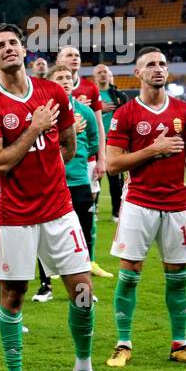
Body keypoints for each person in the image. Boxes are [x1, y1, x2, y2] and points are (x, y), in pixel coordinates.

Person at [0, 23, 114, 371]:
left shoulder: (53, 92)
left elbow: (69, 145)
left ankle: (84, 369)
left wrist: (46, 163)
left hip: (58, 209)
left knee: (83, 292)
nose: (8, 49)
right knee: (13, 296)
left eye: (13, 43)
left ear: (24, 49)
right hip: (14, 215)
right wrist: (34, 129)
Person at [104, 48, 186, 369]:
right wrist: (154, 149)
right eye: (150, 64)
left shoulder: (184, 111)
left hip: (177, 206)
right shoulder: (126, 114)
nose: (158, 69)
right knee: (130, 273)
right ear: (137, 74)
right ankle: (123, 344)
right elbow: (112, 164)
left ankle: (180, 345)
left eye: (162, 64)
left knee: (178, 275)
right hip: (138, 204)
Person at [32, 65, 101, 301]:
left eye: (68, 77)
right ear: (50, 83)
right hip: (49, 182)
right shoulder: (41, 111)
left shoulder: (86, 112)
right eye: (58, 77)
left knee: (83, 234)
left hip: (79, 179)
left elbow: (93, 143)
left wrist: (80, 160)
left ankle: (84, 287)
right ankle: (45, 285)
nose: (65, 81)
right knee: (45, 236)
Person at [55, 46, 110, 278]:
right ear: (58, 60)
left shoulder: (89, 87)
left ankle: (90, 261)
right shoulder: (47, 90)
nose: (74, 58)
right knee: (56, 216)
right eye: (69, 55)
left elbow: (97, 126)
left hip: (84, 162)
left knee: (88, 213)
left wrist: (101, 159)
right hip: (56, 163)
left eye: (77, 55)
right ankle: (56, 266)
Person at [94, 63, 129, 221]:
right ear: (94, 76)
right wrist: (98, 108)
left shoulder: (119, 95)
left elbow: (128, 118)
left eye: (105, 72)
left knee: (116, 180)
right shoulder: (90, 95)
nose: (102, 74)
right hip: (95, 142)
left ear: (109, 75)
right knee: (95, 177)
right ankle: (92, 209)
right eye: (99, 72)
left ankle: (117, 212)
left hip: (114, 143)